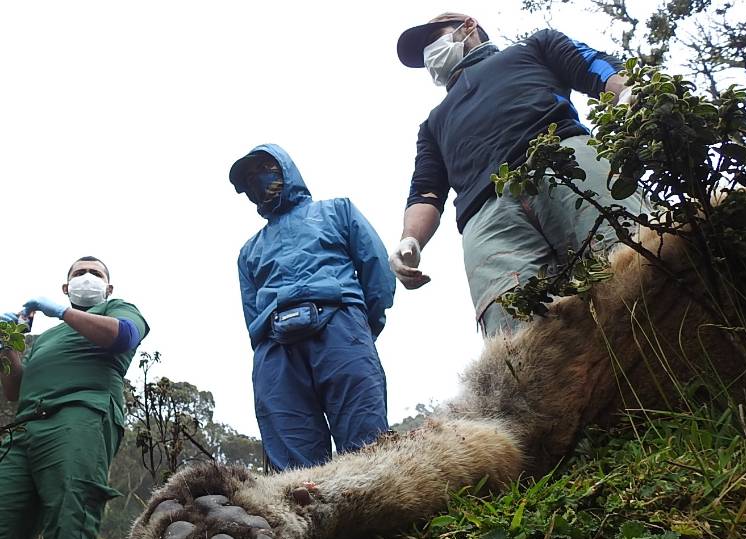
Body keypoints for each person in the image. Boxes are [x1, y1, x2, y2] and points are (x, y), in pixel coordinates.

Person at [390, 13, 645, 336]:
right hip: (486, 218)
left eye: (434, 39)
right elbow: (426, 191)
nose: (430, 54)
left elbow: (592, 65)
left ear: (467, 26)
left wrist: (625, 91)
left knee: (636, 263)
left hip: (565, 162)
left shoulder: (533, 47)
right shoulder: (433, 124)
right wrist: (409, 239)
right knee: (517, 339)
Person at [230, 143, 396, 471]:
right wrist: (265, 341)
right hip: (276, 349)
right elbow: (251, 311)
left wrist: (361, 324)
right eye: (249, 179)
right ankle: (304, 519)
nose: (258, 181)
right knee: (293, 467)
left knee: (366, 443)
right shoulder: (249, 251)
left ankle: (381, 518)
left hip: (340, 325)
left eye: (264, 168)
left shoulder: (338, 211)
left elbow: (376, 269)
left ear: (285, 168)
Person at [0, 256, 149, 539]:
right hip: (24, 430)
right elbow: (15, 390)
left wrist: (61, 312)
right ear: (66, 287)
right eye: (79, 273)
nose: (87, 277)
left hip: (79, 417)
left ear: (108, 288)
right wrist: (7, 345)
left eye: (95, 273)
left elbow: (123, 336)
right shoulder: (46, 338)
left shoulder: (118, 309)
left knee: (71, 519)